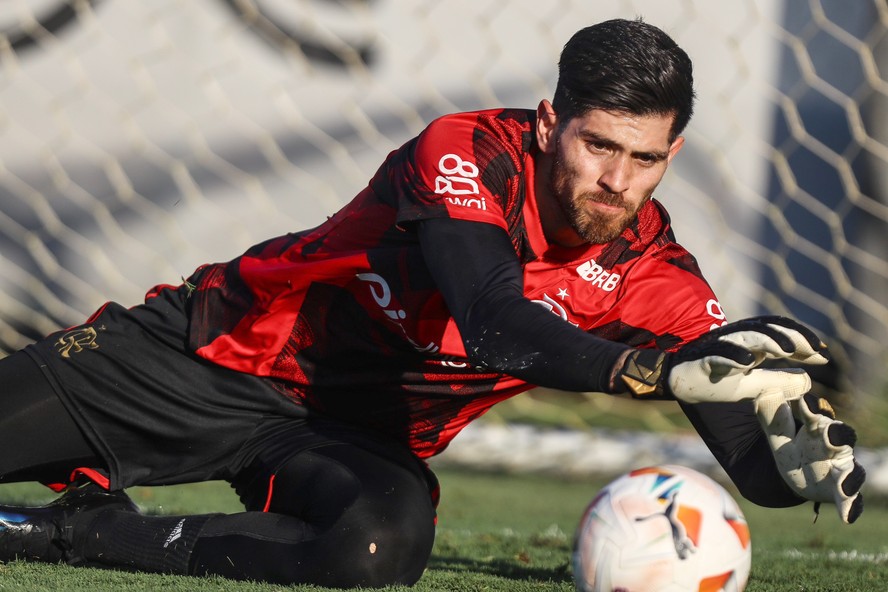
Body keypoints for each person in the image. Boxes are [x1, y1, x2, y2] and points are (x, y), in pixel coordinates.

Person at [0, 17, 865, 588]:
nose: (616, 180)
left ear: (672, 153)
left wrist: (785, 473)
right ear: (548, 124)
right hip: (213, 352)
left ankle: (72, 533)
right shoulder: (466, 152)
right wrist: (652, 370)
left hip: (349, 437)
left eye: (645, 159)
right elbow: (494, 320)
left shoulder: (658, 275)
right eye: (598, 146)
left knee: (379, 549)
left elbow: (742, 445)